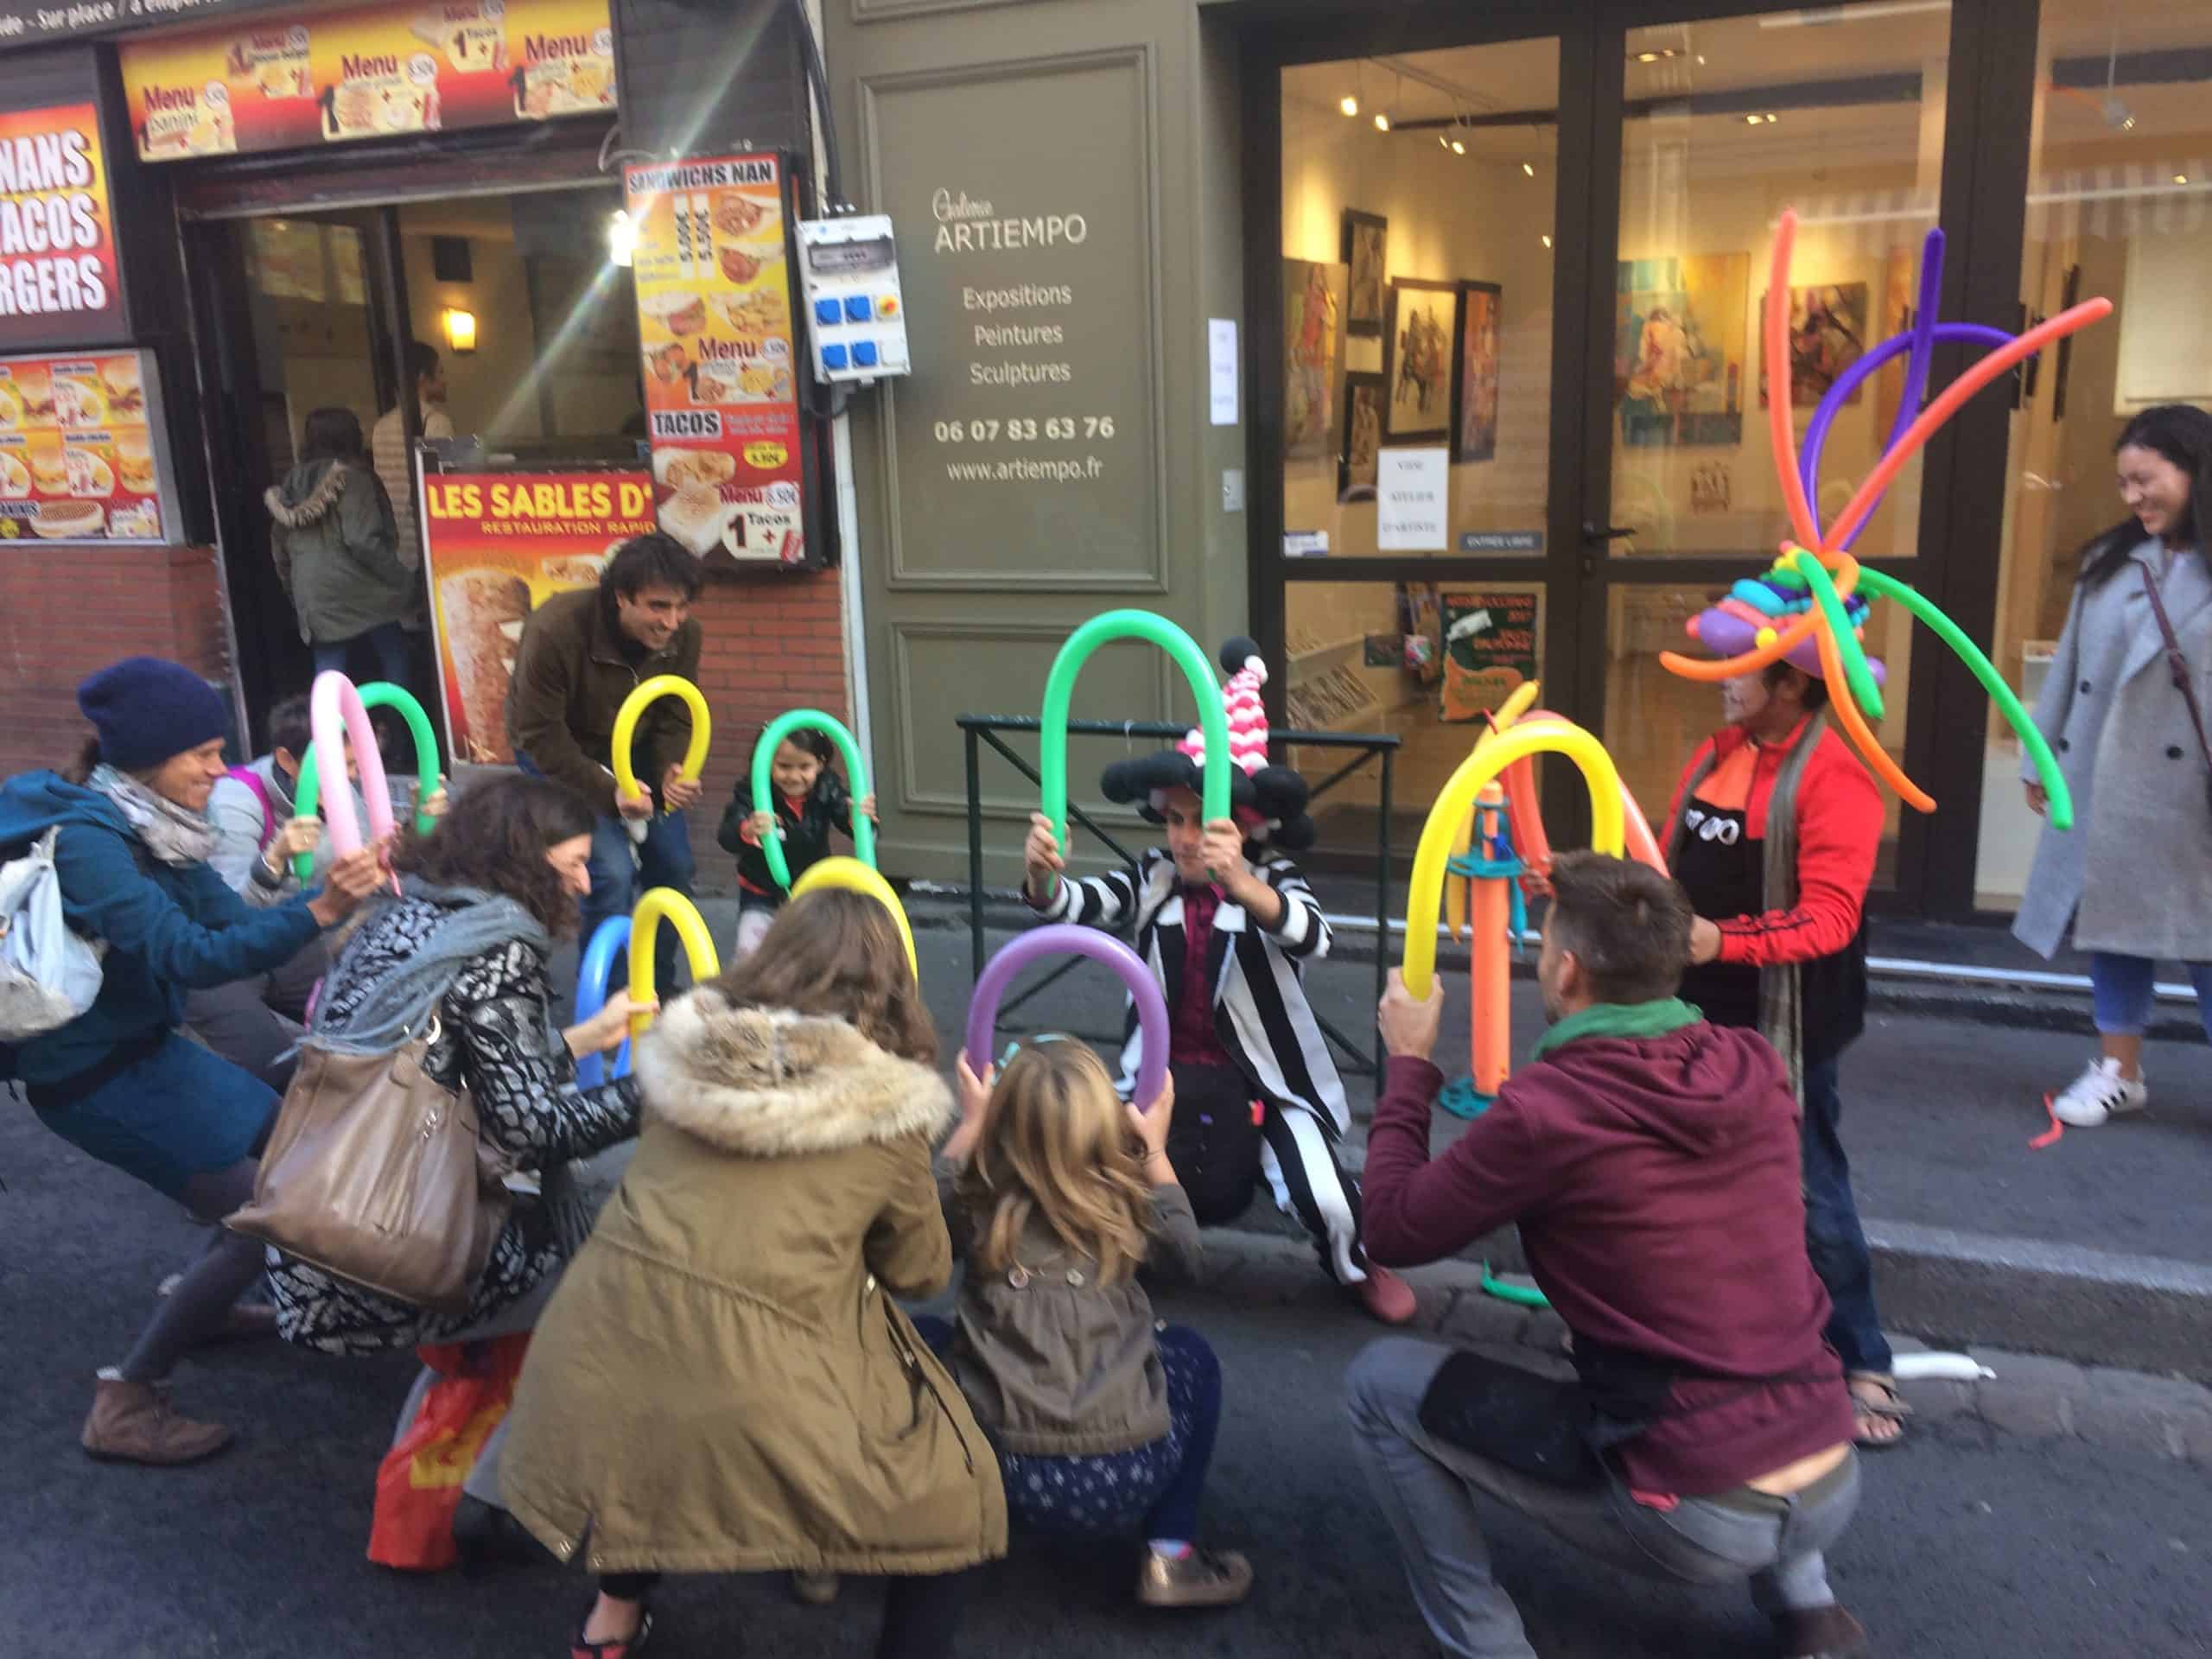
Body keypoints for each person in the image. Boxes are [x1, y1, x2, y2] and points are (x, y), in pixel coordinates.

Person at [1347, 852, 1866, 1659]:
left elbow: (1389, 1231)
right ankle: (1812, 1611)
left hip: (1700, 1512)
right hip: (1835, 1472)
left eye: (1542, 943)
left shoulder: (1549, 1112)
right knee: (1748, 1324)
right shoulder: (1754, 1064)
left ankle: (1488, 1646)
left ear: (1566, 969)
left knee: (1378, 1384)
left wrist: (1410, 1067)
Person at [499, 888, 1006, 1659]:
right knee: (957, 1493)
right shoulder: (889, 1114)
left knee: (658, 1408)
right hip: (754, 1385)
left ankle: (614, 1616)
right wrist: (965, 1146)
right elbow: (919, 1270)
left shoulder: (679, 1069)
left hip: (598, 1349)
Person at [0, 658, 383, 1464]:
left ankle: (203, 1309)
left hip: (145, 1049)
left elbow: (227, 928)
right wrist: (320, 907)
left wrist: (329, 903)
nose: (221, 769)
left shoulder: (154, 825)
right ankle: (128, 1397)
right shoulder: (94, 843)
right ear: (146, 756)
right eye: (203, 755)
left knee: (287, 1145)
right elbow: (187, 955)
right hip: (90, 1079)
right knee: (265, 1215)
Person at [1020, 638, 1415, 1325]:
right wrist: (1041, 874)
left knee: (1325, 1195)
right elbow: (1073, 907)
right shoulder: (1153, 877)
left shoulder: (1273, 879)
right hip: (1160, 1080)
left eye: (1202, 821)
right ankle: (1102, 1255)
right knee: (1079, 1157)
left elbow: (1314, 936)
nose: (1184, 837)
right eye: (1174, 819)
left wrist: (1243, 886)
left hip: (1267, 1082)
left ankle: (1354, 1263)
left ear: (1246, 824)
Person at [265, 773, 645, 1357]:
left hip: (312, 1233)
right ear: (527, 859)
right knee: (631, 1233)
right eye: (573, 864)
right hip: (388, 1259)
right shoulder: (499, 948)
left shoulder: (404, 914)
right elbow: (535, 1131)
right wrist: (666, 1087)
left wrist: (584, 1039)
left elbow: (448, 1062)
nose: (585, 883)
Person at [1662, 626, 1898, 1449]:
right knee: (1686, 1184)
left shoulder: (1836, 773)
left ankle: (1860, 1357)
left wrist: (1723, 942)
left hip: (1789, 1022)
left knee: (1809, 1186)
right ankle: (1700, 1348)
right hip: (1692, 1012)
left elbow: (1831, 918)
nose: (1724, 680)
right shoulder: (1712, 753)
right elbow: (1673, 872)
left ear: (1792, 684)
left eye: (1741, 669)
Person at [922, 1039, 1250, 1608]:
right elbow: (1186, 1255)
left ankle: (910, 1530)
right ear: (1106, 1127)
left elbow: (917, 1225)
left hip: (994, 1477)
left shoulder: (977, 1207)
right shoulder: (1125, 1208)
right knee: (1192, 1354)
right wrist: (1152, 1152)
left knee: (922, 1339)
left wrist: (969, 1126)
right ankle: (1171, 1557)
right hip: (1124, 1475)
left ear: (1001, 1124)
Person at [2016, 404, 2212, 1125]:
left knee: (2207, 944)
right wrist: (2040, 761)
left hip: (2194, 792)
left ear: (2193, 468)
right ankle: (2117, 1069)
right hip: (2110, 782)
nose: (2134, 498)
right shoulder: (2109, 563)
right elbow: (2068, 669)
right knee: (2114, 931)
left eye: (2146, 480)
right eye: (2125, 484)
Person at [191, 692, 446, 1092]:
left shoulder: (343, 794)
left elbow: (378, 864)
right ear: (288, 761)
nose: (351, 777)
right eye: (339, 765)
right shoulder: (235, 802)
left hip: (298, 938)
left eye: (354, 764)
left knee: (376, 1021)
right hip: (226, 958)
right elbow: (228, 914)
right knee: (281, 1068)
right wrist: (273, 861)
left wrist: (415, 826)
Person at [505, 531, 703, 988]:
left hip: (635, 744)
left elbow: (676, 711)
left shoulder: (685, 635)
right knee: (610, 872)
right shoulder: (556, 628)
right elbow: (541, 735)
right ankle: (612, 1000)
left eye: (681, 607)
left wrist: (672, 770)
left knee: (674, 865)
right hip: (562, 747)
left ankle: (657, 987)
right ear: (621, 598)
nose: (671, 621)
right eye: (657, 606)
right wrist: (610, 795)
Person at [264, 406, 416, 685]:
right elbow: (362, 540)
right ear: (348, 437)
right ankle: (402, 725)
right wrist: (402, 579)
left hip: (315, 595)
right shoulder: (354, 479)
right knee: (394, 652)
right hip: (363, 590)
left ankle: (328, 727)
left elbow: (279, 546)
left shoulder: (291, 483)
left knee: (329, 672)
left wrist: (293, 587)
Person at [716, 724, 876, 958]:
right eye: (784, 766)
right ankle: (751, 992)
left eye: (804, 767)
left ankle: (808, 992)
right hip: (763, 890)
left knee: (817, 953)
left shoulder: (827, 787)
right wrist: (747, 830)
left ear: (820, 764)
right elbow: (727, 835)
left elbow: (849, 821)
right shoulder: (750, 791)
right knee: (750, 951)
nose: (793, 776)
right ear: (767, 762)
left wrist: (858, 818)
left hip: (813, 886)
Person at [371, 338, 455, 571]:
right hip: (426, 540)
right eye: (439, 372)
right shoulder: (437, 423)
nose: (445, 380)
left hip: (396, 543)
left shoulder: (380, 426)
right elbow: (448, 487)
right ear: (421, 377)